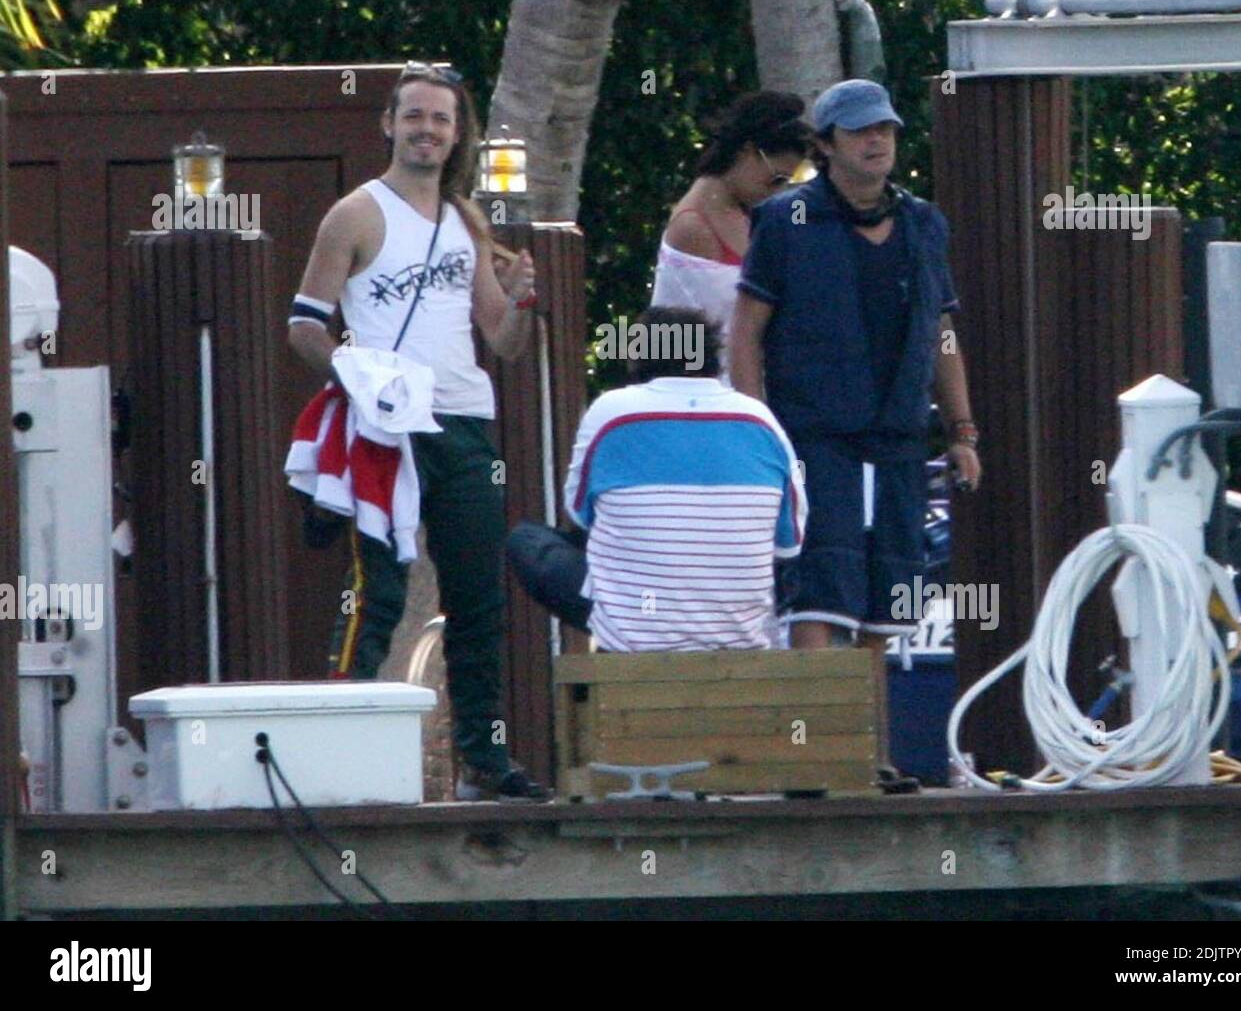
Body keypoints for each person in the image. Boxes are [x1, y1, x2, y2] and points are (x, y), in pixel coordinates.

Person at [286, 62, 548, 802]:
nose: (427, 130)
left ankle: (484, 762)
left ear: (457, 132)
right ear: (389, 124)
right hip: (387, 425)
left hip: (464, 419)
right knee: (380, 592)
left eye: (441, 119)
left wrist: (524, 300)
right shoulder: (355, 214)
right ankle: (345, 756)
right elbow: (304, 321)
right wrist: (356, 375)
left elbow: (501, 337)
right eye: (415, 116)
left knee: (479, 598)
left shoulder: (466, 220)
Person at [730, 79, 981, 652]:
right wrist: (757, 431)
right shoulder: (784, 219)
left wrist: (962, 431)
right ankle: (816, 740)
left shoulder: (923, 223)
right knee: (818, 589)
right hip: (813, 435)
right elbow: (746, 333)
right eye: (860, 130)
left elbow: (942, 334)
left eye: (885, 128)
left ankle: (869, 739)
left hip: (899, 435)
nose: (877, 140)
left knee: (890, 603)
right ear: (826, 144)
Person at [506, 307, 806, 651]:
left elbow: (578, 517)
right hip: (739, 637)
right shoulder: (761, 420)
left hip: (636, 632)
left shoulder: (611, 412)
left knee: (528, 540)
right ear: (711, 357)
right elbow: (789, 545)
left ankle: (635, 624)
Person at [650, 92, 812, 379]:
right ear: (747, 151)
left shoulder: (748, 213)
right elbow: (728, 327)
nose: (776, 191)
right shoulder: (693, 229)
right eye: (775, 179)